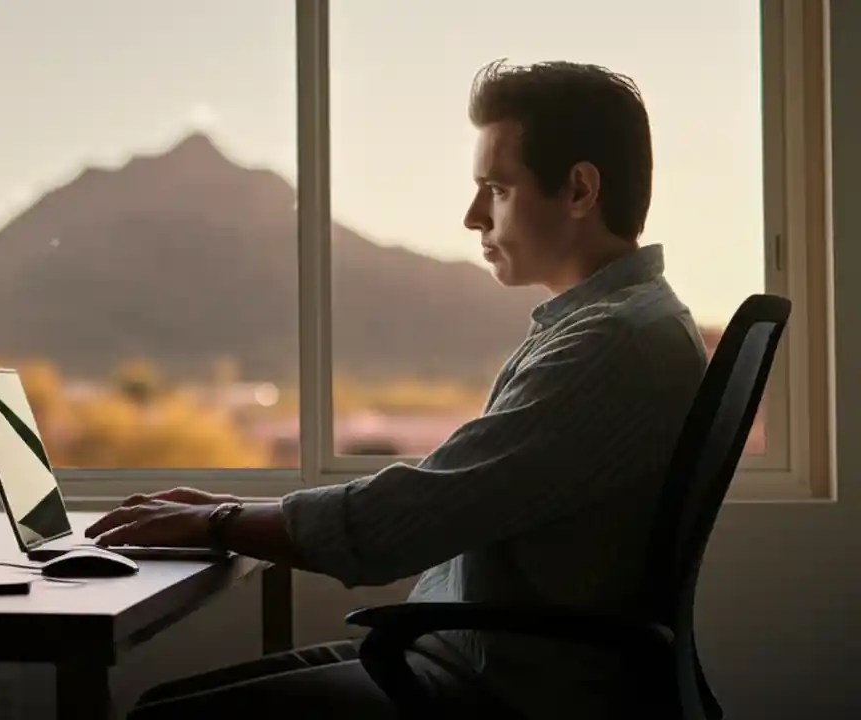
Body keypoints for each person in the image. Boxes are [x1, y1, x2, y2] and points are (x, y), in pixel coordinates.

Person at [86, 58, 708, 719]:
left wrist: (222, 523)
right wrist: (233, 512)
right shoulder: (620, 324)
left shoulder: (612, 345)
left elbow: (403, 524)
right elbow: (444, 495)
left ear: (580, 189)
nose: (473, 216)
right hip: (468, 660)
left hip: (501, 693)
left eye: (496, 188)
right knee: (165, 704)